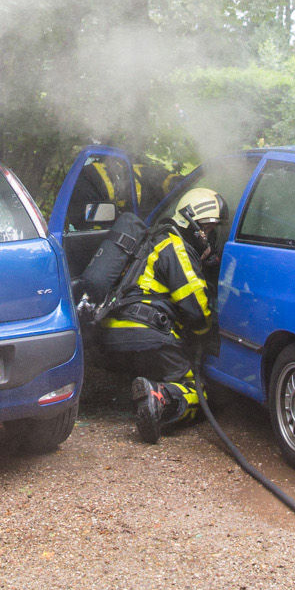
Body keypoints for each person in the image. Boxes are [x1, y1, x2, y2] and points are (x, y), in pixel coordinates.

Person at [96, 187, 224, 443]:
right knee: (202, 391)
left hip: (115, 333)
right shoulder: (175, 247)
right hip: (147, 333)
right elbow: (197, 310)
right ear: (193, 223)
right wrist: (208, 335)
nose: (208, 236)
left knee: (155, 362)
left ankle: (143, 388)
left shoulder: (154, 239)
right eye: (207, 229)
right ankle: (161, 398)